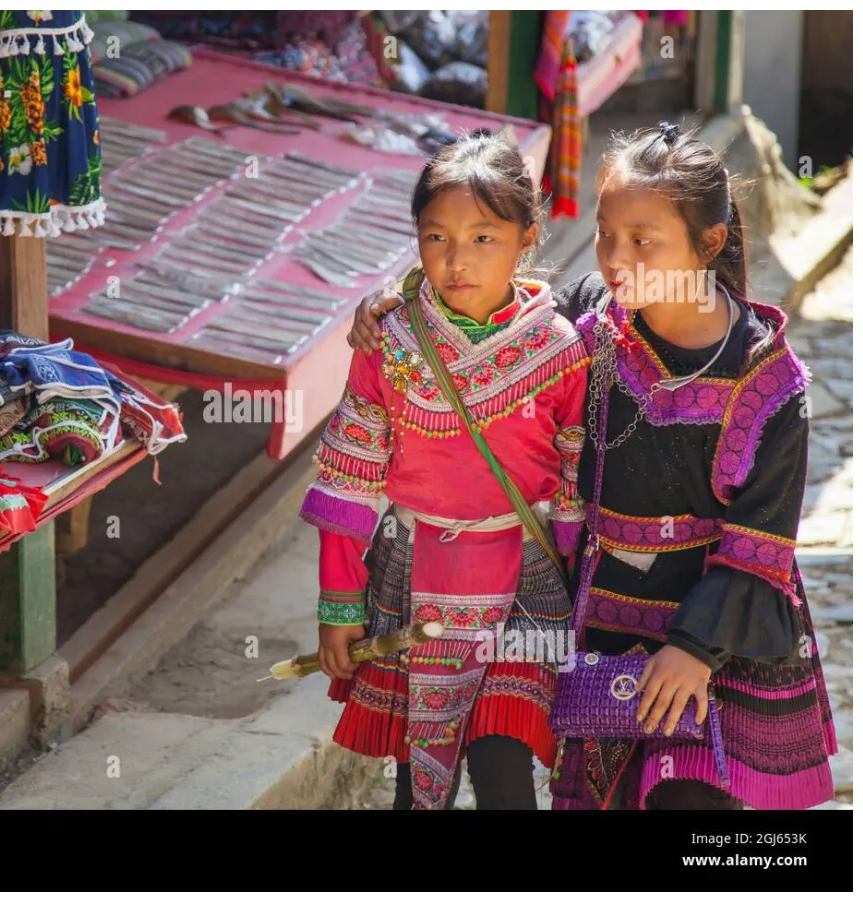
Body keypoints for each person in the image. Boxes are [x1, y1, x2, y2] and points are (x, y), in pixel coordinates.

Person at [346, 123, 837, 810]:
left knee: (684, 804)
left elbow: (759, 550)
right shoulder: (582, 325)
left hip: (713, 645)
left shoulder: (768, 382)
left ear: (710, 243)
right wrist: (391, 310)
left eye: (644, 239)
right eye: (606, 233)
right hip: (602, 629)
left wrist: (694, 649)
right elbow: (480, 307)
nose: (614, 257)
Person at [300, 128, 590, 810]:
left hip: (524, 581)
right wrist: (338, 606)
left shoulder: (560, 349)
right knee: (416, 782)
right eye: (436, 237)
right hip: (411, 576)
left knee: (505, 777)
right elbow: (349, 478)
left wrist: (586, 596)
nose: (457, 259)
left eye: (483, 237)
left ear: (527, 238)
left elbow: (576, 487)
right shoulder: (390, 340)